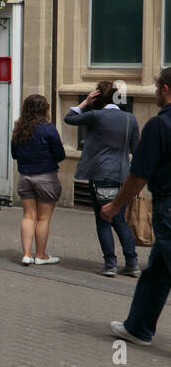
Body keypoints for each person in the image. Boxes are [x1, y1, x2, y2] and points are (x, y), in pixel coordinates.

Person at [104, 68, 171, 346]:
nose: (155, 93)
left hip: (168, 207)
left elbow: (139, 174)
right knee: (157, 271)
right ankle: (138, 327)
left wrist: (116, 205)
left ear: (165, 89)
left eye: (157, 88)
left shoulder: (159, 125)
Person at [66, 82, 141, 277]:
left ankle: (110, 263)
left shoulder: (96, 115)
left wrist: (85, 103)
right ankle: (132, 262)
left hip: (100, 175)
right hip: (123, 176)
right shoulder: (130, 119)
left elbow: (70, 118)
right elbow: (137, 151)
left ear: (97, 98)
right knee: (120, 220)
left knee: (104, 220)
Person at [10, 94, 66, 266]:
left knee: (28, 216)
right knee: (43, 218)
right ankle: (40, 255)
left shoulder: (18, 129)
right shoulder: (48, 128)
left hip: (25, 176)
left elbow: (14, 154)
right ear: (44, 109)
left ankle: (26, 254)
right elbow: (60, 154)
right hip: (46, 177)